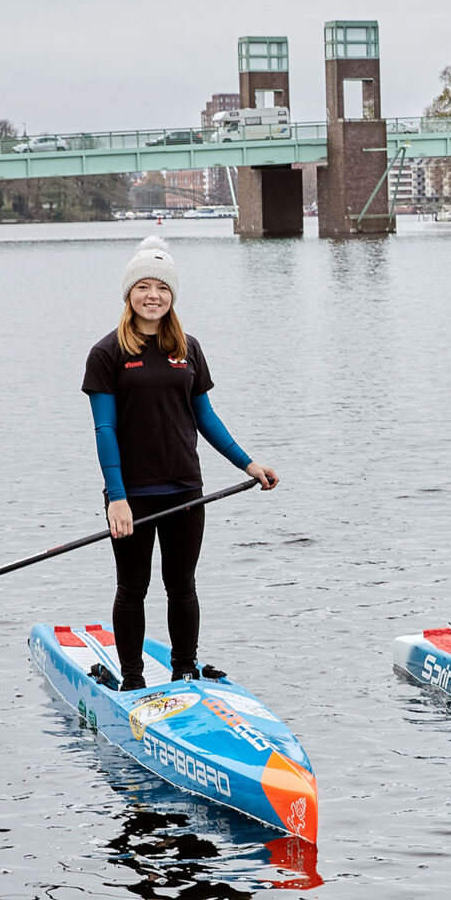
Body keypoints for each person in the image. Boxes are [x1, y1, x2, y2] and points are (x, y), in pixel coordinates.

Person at [81, 237, 277, 691]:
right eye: (144, 287)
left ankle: (184, 670)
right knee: (133, 588)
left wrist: (248, 465)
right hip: (132, 498)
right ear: (129, 295)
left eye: (162, 288)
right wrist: (117, 498)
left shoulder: (188, 347)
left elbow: (204, 417)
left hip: (186, 491)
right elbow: (104, 431)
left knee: (182, 585)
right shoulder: (107, 353)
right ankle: (132, 682)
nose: (154, 296)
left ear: (172, 296)